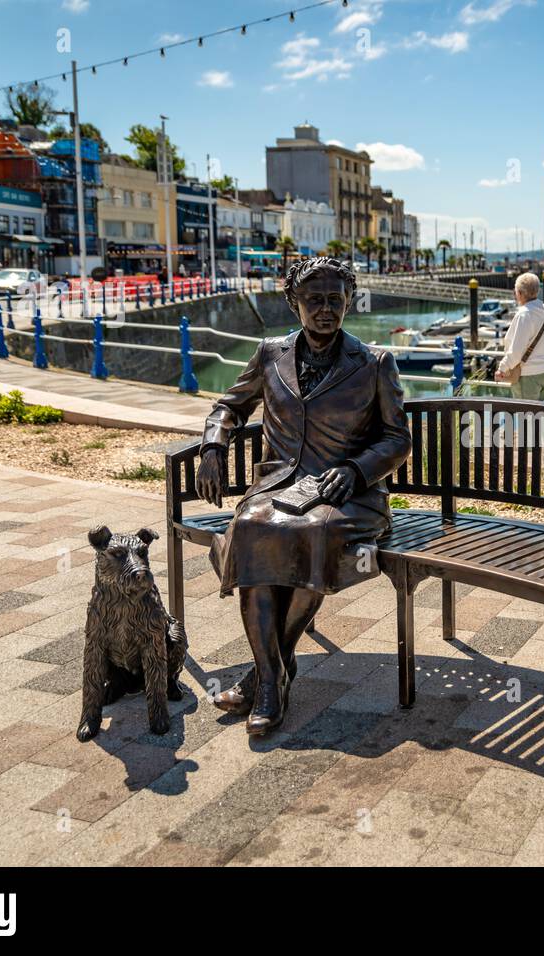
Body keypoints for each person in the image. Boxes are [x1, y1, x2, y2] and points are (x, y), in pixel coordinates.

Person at [194, 256, 411, 736]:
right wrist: (213, 444)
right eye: (315, 300)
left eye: (336, 299)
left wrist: (356, 471)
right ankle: (274, 675)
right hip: (279, 487)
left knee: (313, 533)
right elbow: (229, 405)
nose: (326, 309)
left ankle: (266, 679)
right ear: (294, 303)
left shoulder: (374, 363)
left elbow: (398, 439)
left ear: (349, 301)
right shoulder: (271, 353)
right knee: (251, 528)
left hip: (348, 495)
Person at [495, 271, 544, 401]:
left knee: (526, 417)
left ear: (520, 293)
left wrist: (502, 369)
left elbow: (516, 350)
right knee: (538, 415)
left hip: (530, 373)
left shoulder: (524, 314)